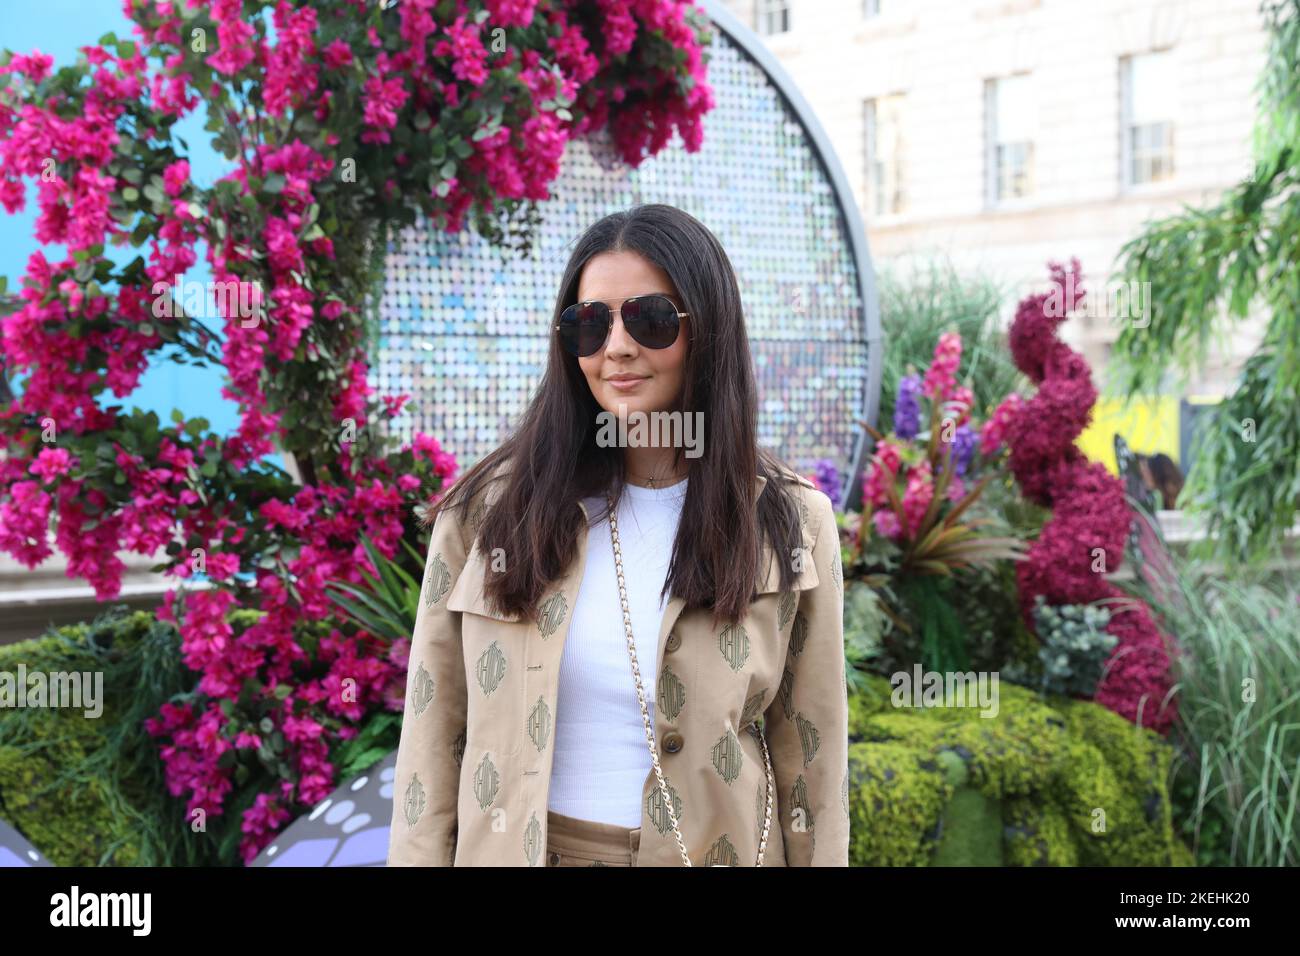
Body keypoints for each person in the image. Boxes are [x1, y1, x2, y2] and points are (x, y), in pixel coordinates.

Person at [387, 203, 849, 867]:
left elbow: (816, 761)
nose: (618, 347)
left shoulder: (792, 521)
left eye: (651, 318)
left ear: (708, 329)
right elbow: (431, 741)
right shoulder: (489, 513)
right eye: (589, 324)